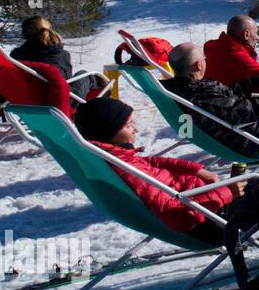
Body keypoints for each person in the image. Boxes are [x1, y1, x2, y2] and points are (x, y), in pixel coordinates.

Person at [73, 96, 238, 243]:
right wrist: (228, 193)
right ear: (110, 131)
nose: (135, 129)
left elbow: (150, 162)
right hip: (210, 222)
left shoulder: (115, 158)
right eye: (128, 125)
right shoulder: (128, 171)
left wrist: (195, 169)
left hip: (199, 202)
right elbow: (180, 218)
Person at [10, 16, 107, 99]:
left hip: (30, 99)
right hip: (62, 99)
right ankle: (101, 111)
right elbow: (63, 83)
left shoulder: (16, 56)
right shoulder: (58, 54)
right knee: (88, 76)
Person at [204, 16, 259, 93]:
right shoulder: (234, 54)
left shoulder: (219, 47)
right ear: (246, 34)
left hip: (218, 97)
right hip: (230, 102)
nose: (257, 37)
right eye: (256, 33)